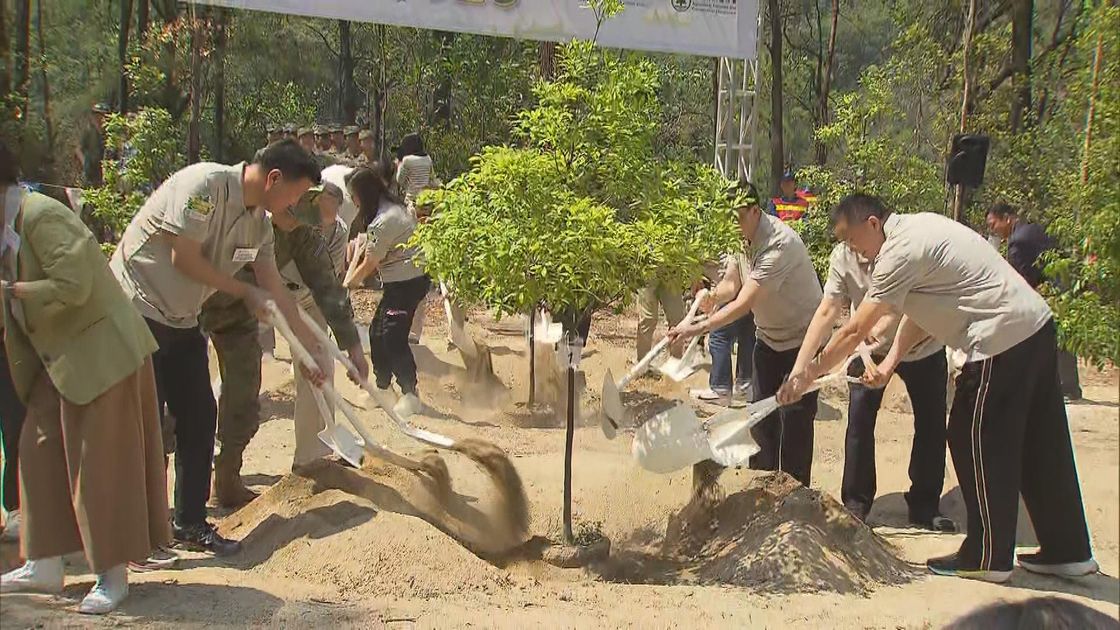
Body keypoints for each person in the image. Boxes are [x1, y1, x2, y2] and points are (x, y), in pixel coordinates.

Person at [779, 194, 1097, 583]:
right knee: (1039, 441)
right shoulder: (919, 231)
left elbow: (853, 328)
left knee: (970, 433)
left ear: (873, 224)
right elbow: (918, 314)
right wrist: (890, 363)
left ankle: (988, 554)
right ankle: (1068, 550)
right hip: (1034, 328)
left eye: (852, 239)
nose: (852, 249)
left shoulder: (900, 250)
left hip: (1000, 337)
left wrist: (808, 375)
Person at [110, 139, 326, 555]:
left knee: (200, 416)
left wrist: (307, 345)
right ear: (274, 179)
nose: (293, 206)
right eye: (295, 196)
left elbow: (275, 289)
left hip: (182, 318)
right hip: (137, 309)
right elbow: (184, 260)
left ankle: (188, 524)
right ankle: (132, 532)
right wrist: (244, 292)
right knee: (146, 424)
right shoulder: (205, 187)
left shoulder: (259, 223)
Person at [0, 145, 169, 614]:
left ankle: (112, 575)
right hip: (53, 362)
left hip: (101, 356)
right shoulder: (7, 229)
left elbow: (74, 284)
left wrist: (12, 290)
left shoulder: (41, 215)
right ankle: (44, 562)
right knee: (36, 452)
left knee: (99, 466)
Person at [202, 182, 368, 505]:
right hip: (226, 299)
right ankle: (217, 470)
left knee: (317, 363)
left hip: (294, 298)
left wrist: (354, 348)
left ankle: (311, 459)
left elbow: (328, 287)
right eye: (295, 216)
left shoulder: (304, 232)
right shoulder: (240, 219)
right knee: (229, 384)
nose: (301, 225)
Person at [791, 237, 955, 530]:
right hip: (869, 349)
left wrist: (872, 338)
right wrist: (803, 368)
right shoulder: (841, 256)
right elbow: (828, 310)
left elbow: (899, 311)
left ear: (873, 226)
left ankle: (925, 505)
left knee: (932, 424)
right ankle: (856, 505)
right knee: (859, 421)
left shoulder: (903, 253)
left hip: (922, 345)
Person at [669, 179, 822, 486]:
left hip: (804, 342)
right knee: (760, 423)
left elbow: (745, 302)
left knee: (795, 423)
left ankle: (795, 500)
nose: (733, 224)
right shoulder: (740, 238)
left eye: (737, 216)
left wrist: (694, 328)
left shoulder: (779, 243)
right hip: (768, 341)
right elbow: (732, 284)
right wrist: (713, 296)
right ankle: (761, 492)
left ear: (754, 211)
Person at [343, 167, 430, 418]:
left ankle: (410, 394)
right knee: (376, 332)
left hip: (408, 283)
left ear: (364, 193)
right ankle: (383, 389)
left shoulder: (385, 220)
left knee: (392, 335)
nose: (353, 202)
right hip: (398, 283)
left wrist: (349, 284)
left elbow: (369, 264)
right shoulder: (388, 211)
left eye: (354, 196)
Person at [986, 202, 1082, 400]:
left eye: (993, 224)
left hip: (1055, 289)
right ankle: (1069, 387)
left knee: (1055, 336)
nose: (992, 230)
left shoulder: (1017, 241)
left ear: (1007, 218)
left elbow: (1021, 279)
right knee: (1062, 337)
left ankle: (1064, 387)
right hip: (1065, 282)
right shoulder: (1032, 228)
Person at [690, 255, 756, 403]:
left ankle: (720, 389)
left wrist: (713, 299)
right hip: (751, 291)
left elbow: (730, 286)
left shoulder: (714, 249)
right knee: (747, 336)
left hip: (739, 292)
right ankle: (745, 386)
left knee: (718, 336)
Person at [395, 133, 436, 207]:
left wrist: (399, 164)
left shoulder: (407, 160)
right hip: (426, 199)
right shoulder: (428, 158)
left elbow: (399, 180)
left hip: (411, 201)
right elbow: (432, 178)